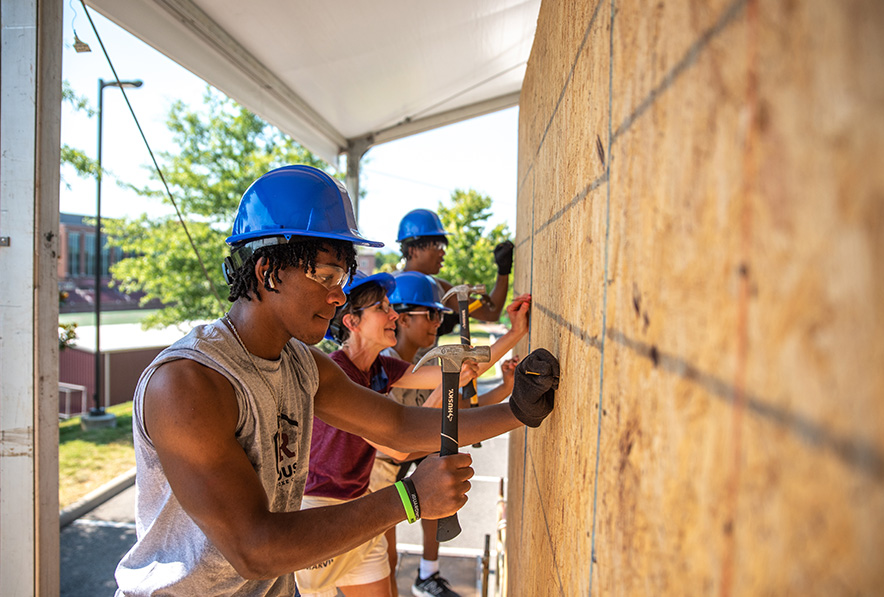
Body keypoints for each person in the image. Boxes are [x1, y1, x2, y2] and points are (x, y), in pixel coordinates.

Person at [113, 164, 560, 596]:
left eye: (342, 277)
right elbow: (254, 548)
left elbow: (400, 427)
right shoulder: (189, 385)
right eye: (326, 275)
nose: (339, 294)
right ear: (268, 271)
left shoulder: (302, 365)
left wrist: (517, 410)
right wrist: (409, 498)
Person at [296, 271, 530, 597]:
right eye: (382, 308)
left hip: (362, 506)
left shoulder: (381, 368)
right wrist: (451, 383)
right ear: (351, 322)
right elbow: (399, 448)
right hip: (322, 513)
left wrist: (515, 333)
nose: (393, 315)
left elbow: (462, 367)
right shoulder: (338, 375)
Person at [367, 271, 521, 597]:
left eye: (441, 314)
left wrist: (514, 336)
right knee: (382, 560)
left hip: (395, 464)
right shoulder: (380, 364)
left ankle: (427, 574)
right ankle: (425, 574)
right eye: (433, 314)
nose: (439, 323)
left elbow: (458, 404)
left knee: (383, 565)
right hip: (371, 476)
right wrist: (447, 384)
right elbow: (402, 441)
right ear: (404, 318)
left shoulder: (403, 367)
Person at [397, 208, 514, 333]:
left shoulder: (439, 287)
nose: (442, 252)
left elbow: (490, 313)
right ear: (412, 250)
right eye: (437, 246)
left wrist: (503, 270)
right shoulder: (391, 289)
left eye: (442, 246)